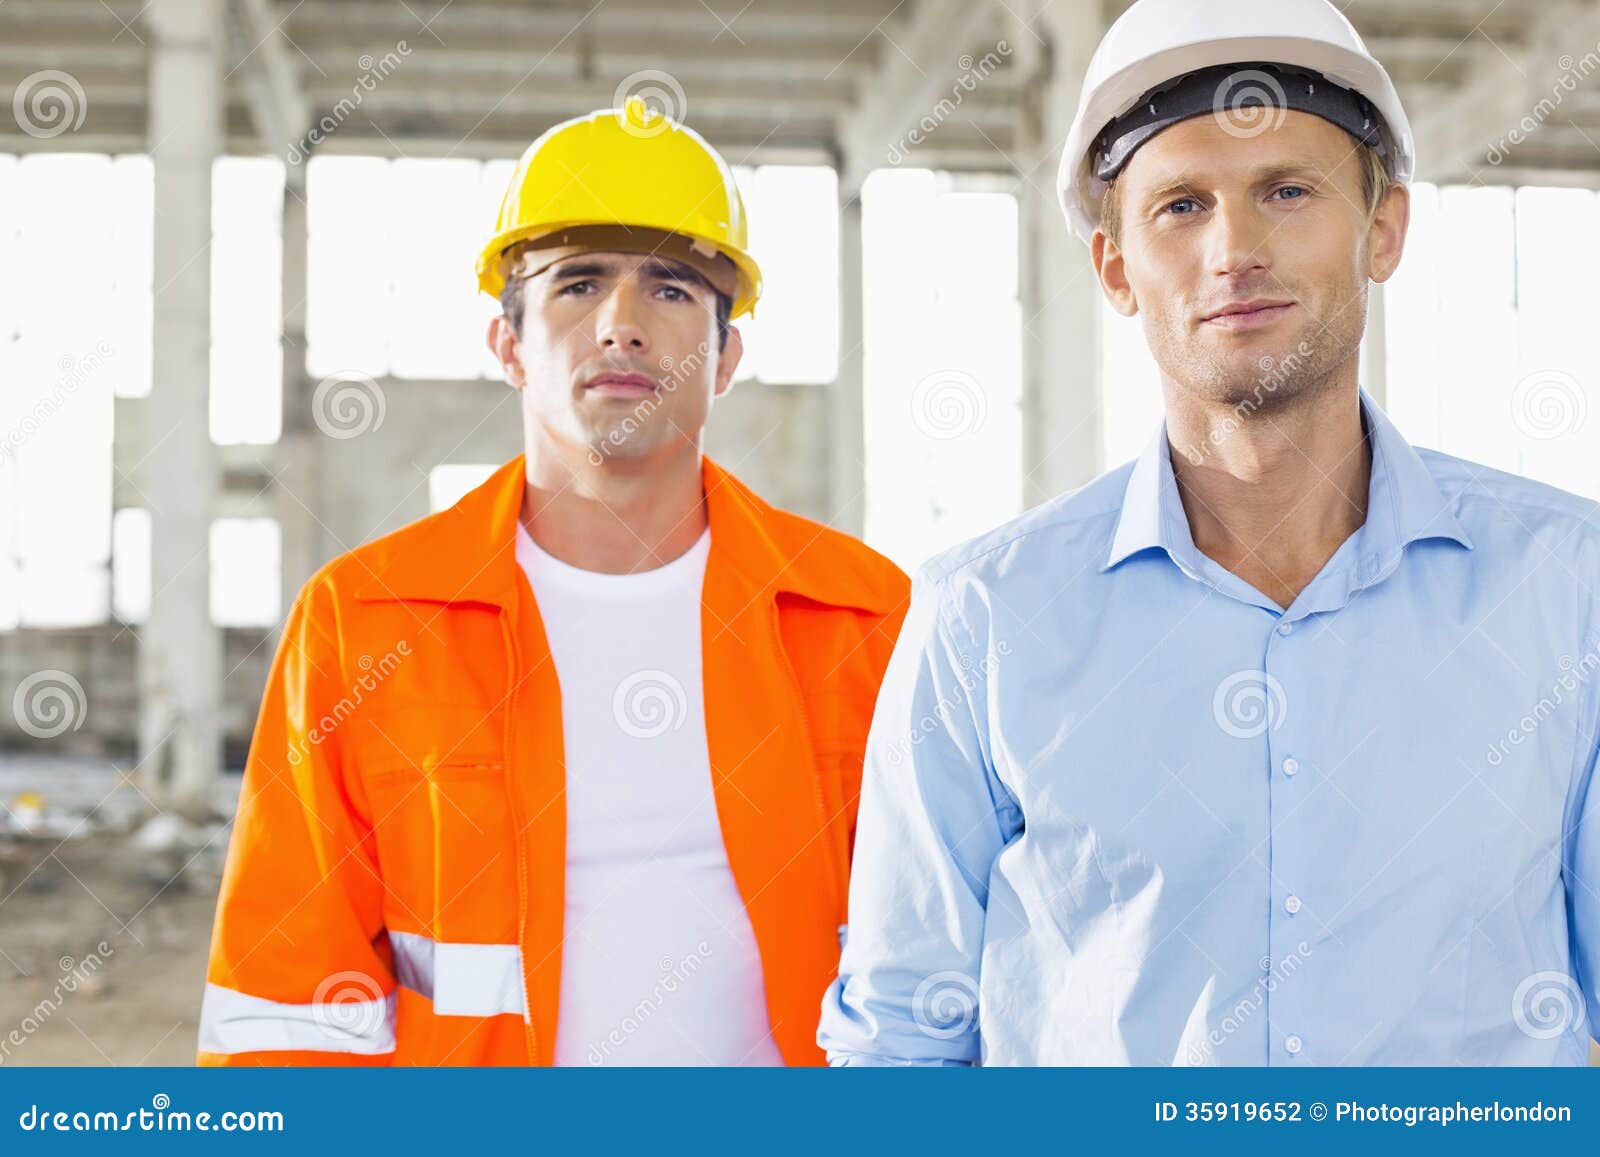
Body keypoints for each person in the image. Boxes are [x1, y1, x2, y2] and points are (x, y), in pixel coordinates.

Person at [820, 0, 1600, 1065]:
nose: (1232, 249)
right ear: (1113, 268)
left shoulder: (1566, 590)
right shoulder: (983, 618)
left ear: (1383, 230)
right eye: (1180, 205)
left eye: (1287, 190)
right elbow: (903, 1036)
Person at [200, 102, 908, 1066]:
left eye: (670, 289)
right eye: (577, 284)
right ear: (509, 346)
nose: (621, 325)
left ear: (727, 356)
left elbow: (939, 965)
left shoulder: (866, 615)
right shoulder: (366, 621)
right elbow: (289, 1002)